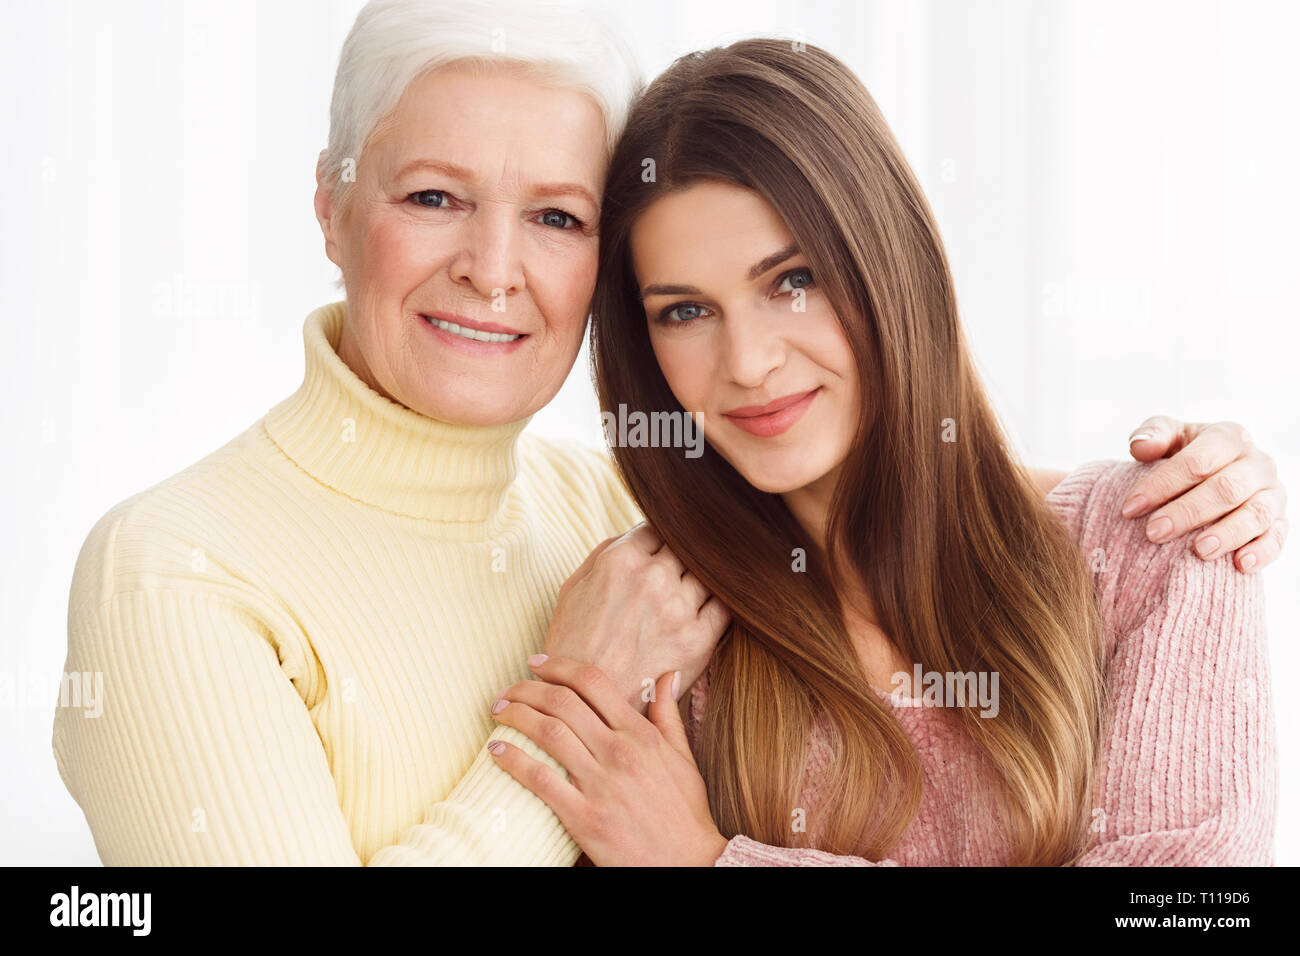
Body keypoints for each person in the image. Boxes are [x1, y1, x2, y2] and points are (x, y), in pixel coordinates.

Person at [53, 1, 1282, 867]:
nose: (492, 271)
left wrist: (1171, 496)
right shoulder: (180, 571)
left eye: (553, 214)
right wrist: (576, 702)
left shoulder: (617, 526)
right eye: (432, 196)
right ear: (331, 202)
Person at [486, 38, 1280, 866]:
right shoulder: (668, 636)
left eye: (791, 281)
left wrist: (709, 859)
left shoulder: (1164, 532)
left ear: (888, 260)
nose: (749, 363)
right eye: (685, 312)